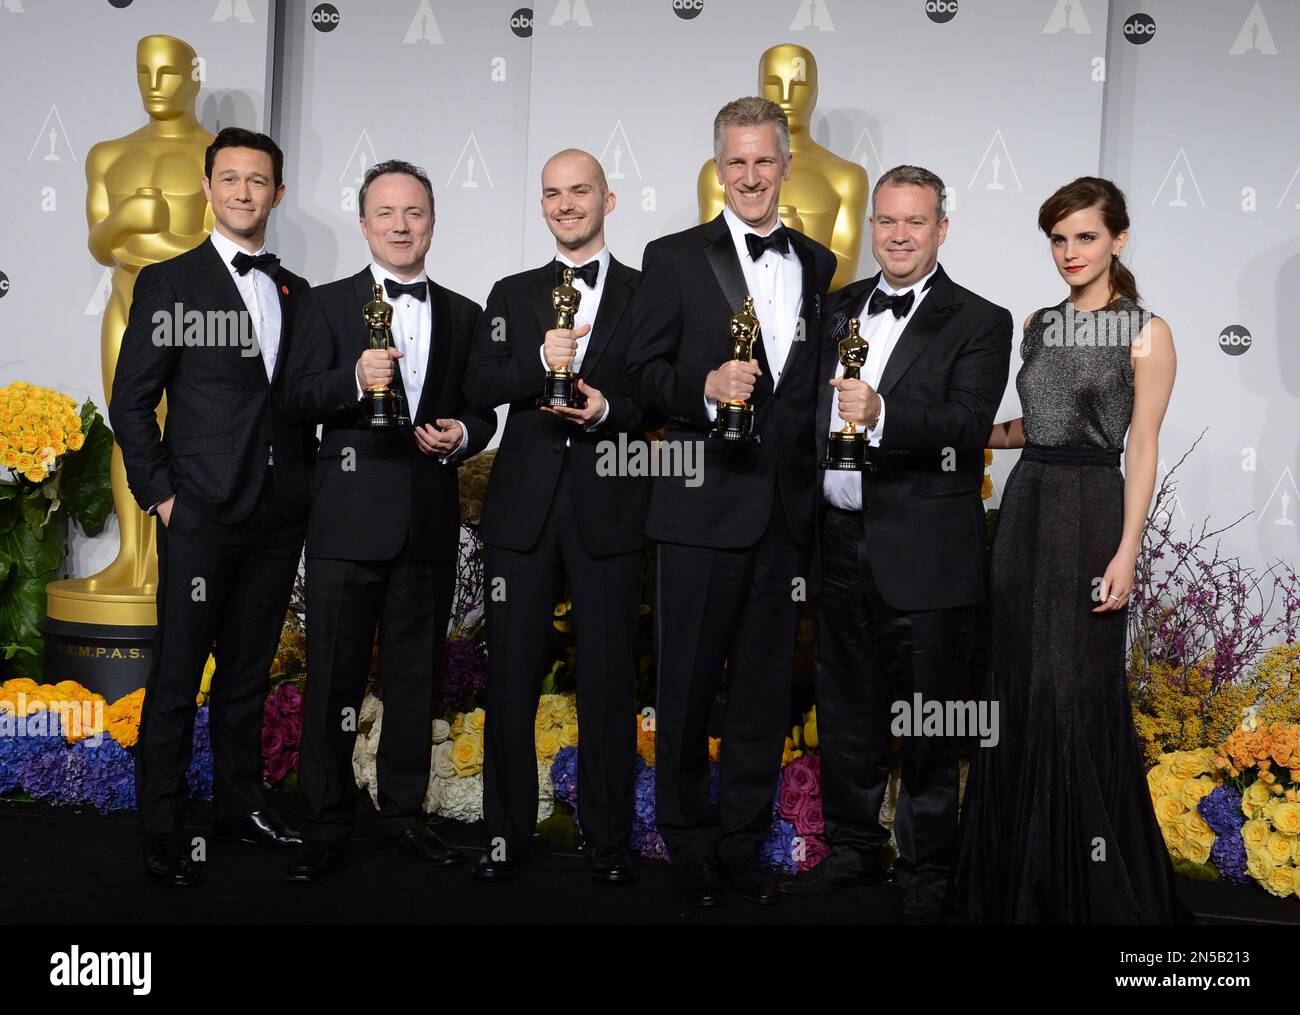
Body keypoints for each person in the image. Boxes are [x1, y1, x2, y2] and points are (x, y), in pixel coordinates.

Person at [782, 166, 1012, 924]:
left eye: (916, 221)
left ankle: (926, 864)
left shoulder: (980, 319)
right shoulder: (839, 306)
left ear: (942, 228)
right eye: (887, 221)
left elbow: (966, 421)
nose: (901, 234)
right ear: (871, 226)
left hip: (926, 553)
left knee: (928, 718)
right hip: (837, 542)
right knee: (845, 706)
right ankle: (853, 847)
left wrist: (881, 412)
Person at [953, 177, 1181, 924]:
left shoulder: (1146, 331)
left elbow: (1140, 445)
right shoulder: (1038, 322)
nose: (1070, 251)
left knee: (1073, 692)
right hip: (1025, 512)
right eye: (1058, 238)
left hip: (1090, 512)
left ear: (1118, 239)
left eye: (1085, 236)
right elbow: (1035, 425)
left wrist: (1128, 551)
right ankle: (1012, 885)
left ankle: (1080, 894)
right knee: (1017, 685)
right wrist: (962, 433)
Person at [626, 97, 835, 907]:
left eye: (763, 161)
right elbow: (640, 378)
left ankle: (744, 843)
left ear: (786, 166)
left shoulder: (818, 265)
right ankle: (685, 841)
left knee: (761, 693)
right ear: (720, 168)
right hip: (698, 510)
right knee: (682, 684)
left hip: (784, 519)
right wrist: (704, 388)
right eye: (735, 162)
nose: (750, 176)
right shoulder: (673, 257)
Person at [281, 160, 496, 882]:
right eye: (386, 214)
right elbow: (295, 398)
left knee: (415, 680)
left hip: (427, 524)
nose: (401, 226)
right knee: (333, 683)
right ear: (365, 222)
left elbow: (480, 408)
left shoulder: (466, 313)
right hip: (345, 525)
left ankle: (404, 816)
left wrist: (461, 437)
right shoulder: (325, 304)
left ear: (432, 221)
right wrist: (351, 383)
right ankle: (325, 821)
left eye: (414, 213)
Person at [110, 127, 313, 885]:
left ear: (278, 194)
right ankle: (162, 826)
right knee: (176, 676)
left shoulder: (294, 289)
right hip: (198, 513)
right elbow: (132, 402)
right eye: (229, 178)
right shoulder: (171, 282)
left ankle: (240, 806)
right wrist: (162, 494)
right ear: (208, 187)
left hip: (276, 513)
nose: (243, 192)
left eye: (258, 181)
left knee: (247, 675)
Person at [463, 149, 653, 884]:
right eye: (553, 194)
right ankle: (505, 834)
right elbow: (480, 383)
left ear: (610, 199)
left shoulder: (649, 293)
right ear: (542, 205)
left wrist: (607, 409)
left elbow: (662, 395)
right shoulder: (511, 293)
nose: (566, 204)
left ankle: (608, 837)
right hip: (524, 511)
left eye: (581, 191)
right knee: (509, 678)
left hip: (612, 503)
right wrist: (537, 365)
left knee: (609, 681)